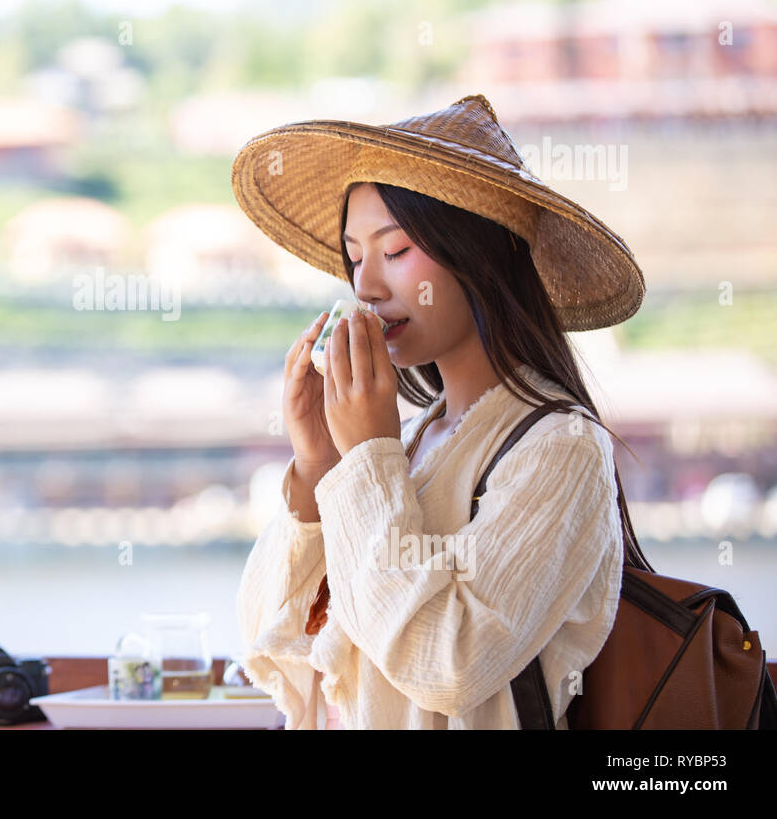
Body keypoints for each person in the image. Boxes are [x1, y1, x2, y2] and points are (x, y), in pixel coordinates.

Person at [231, 94, 652, 729]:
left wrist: (368, 459)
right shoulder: (404, 443)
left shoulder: (561, 447)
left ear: (479, 256)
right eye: (354, 256)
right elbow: (275, 639)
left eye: (396, 252)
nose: (365, 286)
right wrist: (320, 465)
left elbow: (448, 663)